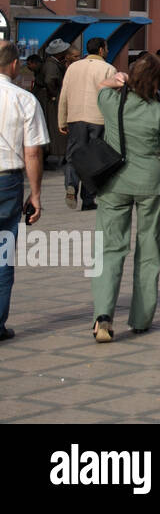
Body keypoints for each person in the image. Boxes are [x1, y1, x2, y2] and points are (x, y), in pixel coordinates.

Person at [90, 53, 160, 342]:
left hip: (114, 184)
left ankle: (103, 316)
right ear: (157, 83)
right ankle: (141, 319)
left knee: (110, 250)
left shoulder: (111, 103)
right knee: (147, 252)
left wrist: (122, 79)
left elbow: (102, 86)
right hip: (151, 186)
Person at [0, 41, 48, 342]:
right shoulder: (24, 99)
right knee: (3, 254)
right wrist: (36, 194)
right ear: (15, 65)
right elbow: (33, 154)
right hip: (7, 181)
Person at [58, 36, 117, 210]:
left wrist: (62, 119)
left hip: (75, 118)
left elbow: (64, 94)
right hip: (98, 119)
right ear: (101, 50)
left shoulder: (73, 68)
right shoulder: (109, 69)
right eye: (106, 48)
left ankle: (71, 184)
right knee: (94, 159)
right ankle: (88, 199)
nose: (107, 50)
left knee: (73, 156)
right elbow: (112, 98)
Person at [37, 41, 70, 170]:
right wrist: (54, 94)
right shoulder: (51, 65)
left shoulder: (53, 63)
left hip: (48, 96)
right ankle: (48, 153)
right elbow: (49, 80)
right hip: (48, 99)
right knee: (51, 125)